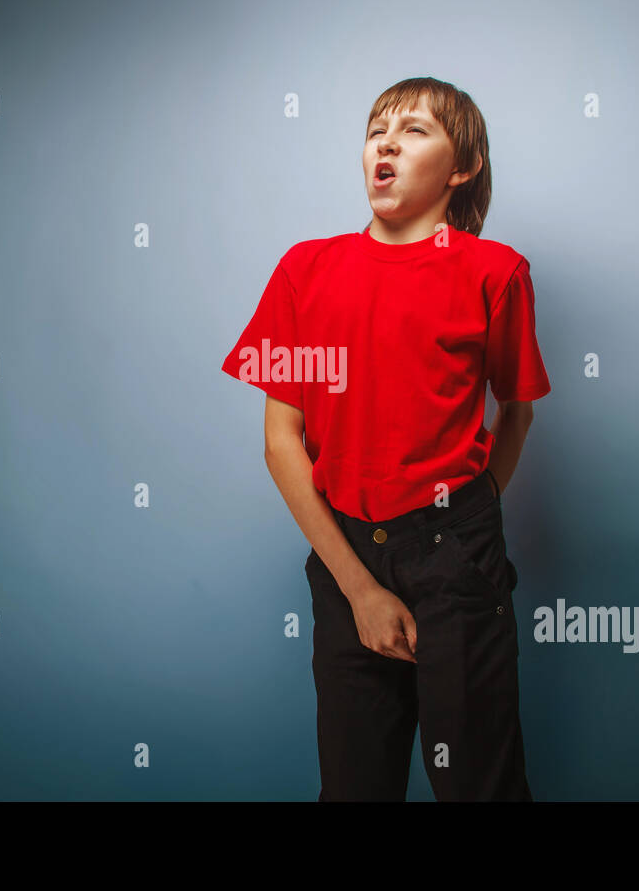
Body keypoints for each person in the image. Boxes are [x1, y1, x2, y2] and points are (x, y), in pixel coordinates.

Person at [220, 77, 551, 801]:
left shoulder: (497, 272)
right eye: (378, 130)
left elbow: (516, 412)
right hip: (344, 558)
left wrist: (473, 509)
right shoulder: (305, 269)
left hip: (456, 556)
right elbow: (282, 441)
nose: (388, 142)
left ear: (461, 167)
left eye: (415, 130)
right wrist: (360, 589)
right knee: (354, 785)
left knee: (478, 785)